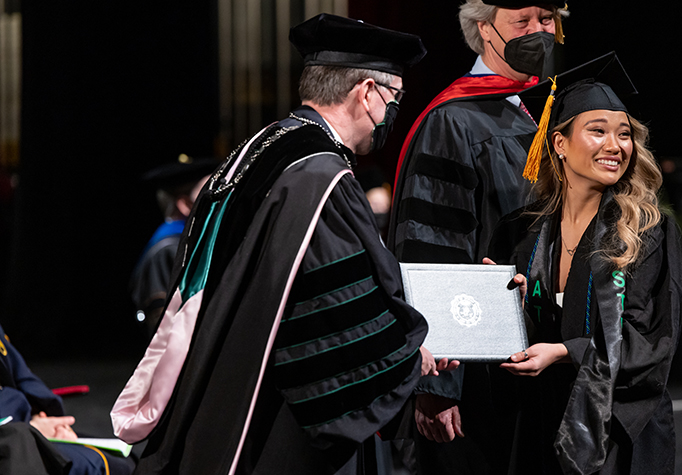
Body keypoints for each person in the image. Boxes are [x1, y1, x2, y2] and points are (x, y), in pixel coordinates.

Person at [111, 14, 455, 475]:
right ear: (368, 93)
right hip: (279, 415)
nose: (394, 110)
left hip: (220, 376)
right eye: (394, 96)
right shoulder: (321, 177)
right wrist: (406, 352)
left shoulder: (251, 153)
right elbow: (333, 307)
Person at [386, 1, 568, 472]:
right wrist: (436, 387)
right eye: (522, 21)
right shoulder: (455, 121)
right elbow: (433, 251)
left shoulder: (536, 110)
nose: (539, 31)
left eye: (546, 20)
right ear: (485, 29)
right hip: (478, 373)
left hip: (529, 359)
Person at [487, 53, 682, 474]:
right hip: (541, 419)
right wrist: (502, 307)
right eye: (598, 131)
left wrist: (563, 351)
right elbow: (508, 341)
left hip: (618, 429)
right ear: (559, 143)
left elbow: (650, 342)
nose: (615, 146)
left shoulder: (646, 232)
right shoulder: (522, 233)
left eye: (624, 134)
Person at [0, 323, 135, 474]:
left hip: (23, 422)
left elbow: (20, 372)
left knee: (125, 459)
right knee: (98, 466)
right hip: (10, 434)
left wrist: (46, 415)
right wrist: (30, 429)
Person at [129, 154, 219, 337]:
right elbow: (163, 327)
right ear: (186, 204)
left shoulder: (187, 243)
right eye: (210, 191)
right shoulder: (168, 249)